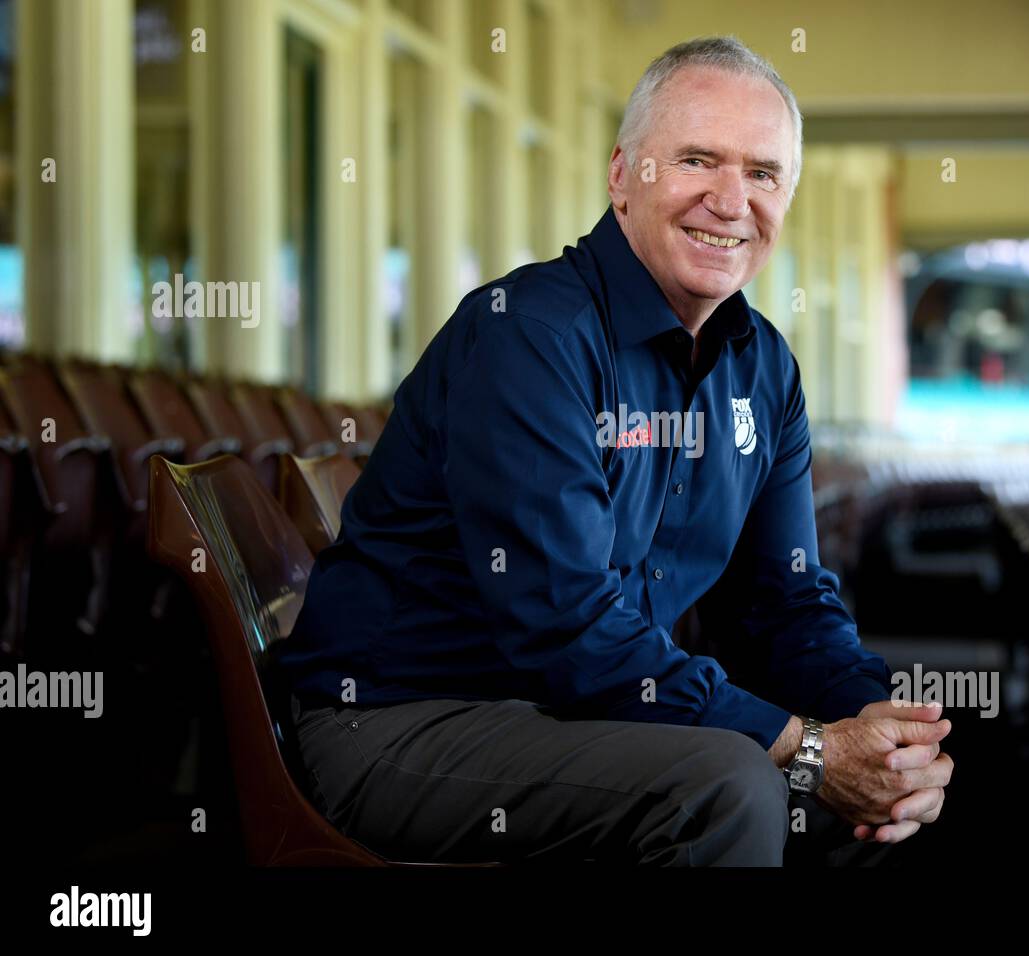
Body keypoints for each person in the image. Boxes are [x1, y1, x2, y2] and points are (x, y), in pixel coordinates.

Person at [283, 35, 953, 866]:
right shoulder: (528, 336)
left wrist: (877, 733)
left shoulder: (765, 367)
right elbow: (569, 630)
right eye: (697, 160)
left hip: (575, 718)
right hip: (399, 723)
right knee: (734, 786)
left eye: (763, 173)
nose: (730, 200)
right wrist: (811, 749)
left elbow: (784, 602)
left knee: (873, 800)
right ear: (621, 175)